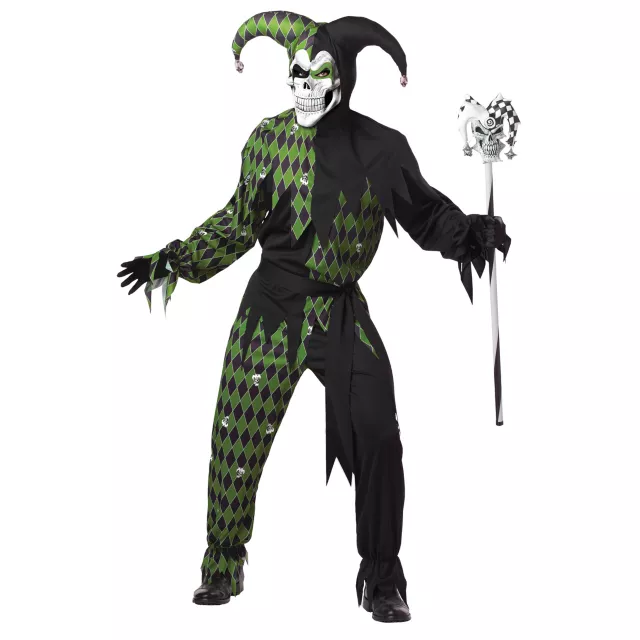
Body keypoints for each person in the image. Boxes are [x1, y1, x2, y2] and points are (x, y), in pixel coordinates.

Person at [118, 12, 510, 623]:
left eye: (319, 74)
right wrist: (176, 259)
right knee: (236, 431)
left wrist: (470, 235)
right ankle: (223, 562)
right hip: (270, 308)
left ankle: (381, 578)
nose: (304, 86)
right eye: (296, 72)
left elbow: (425, 212)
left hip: (338, 313)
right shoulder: (266, 141)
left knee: (378, 431)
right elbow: (238, 223)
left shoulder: (379, 148)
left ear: (341, 80)